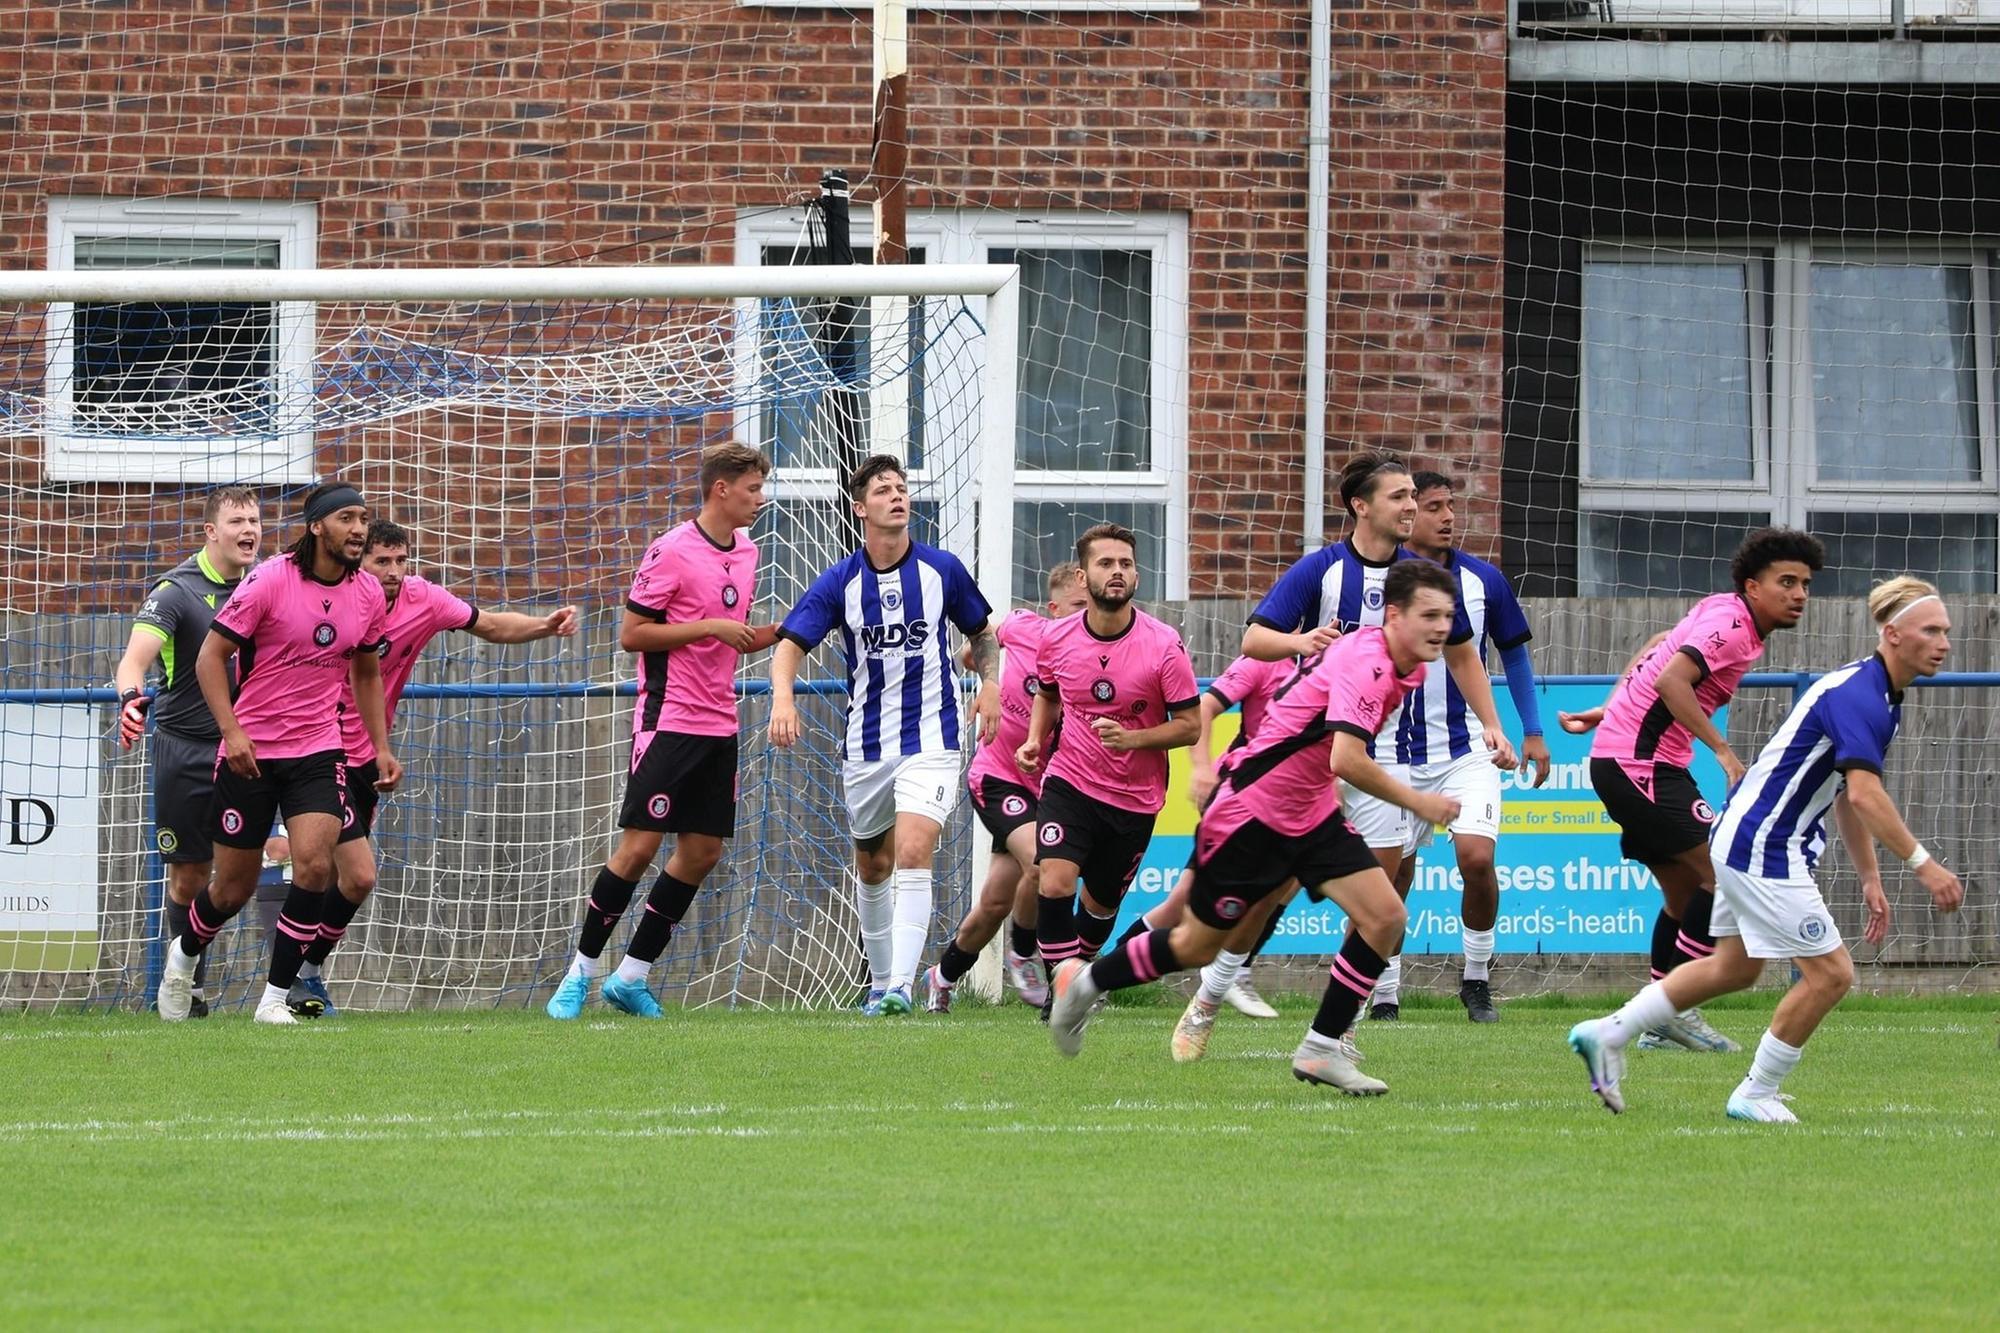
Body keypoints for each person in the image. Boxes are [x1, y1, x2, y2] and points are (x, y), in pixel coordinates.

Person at [1047, 560, 1464, 1097]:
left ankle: (1322, 1049)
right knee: (1196, 945)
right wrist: (1418, 802)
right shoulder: (1371, 664)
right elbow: (1346, 758)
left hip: (1310, 814)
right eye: (1429, 615)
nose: (1440, 627)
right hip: (1252, 815)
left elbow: (1321, 747)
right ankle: (1085, 982)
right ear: (1396, 614)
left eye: (1448, 617)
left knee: (1385, 918)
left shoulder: (1408, 665)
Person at [1568, 577, 1963, 1121]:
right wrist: (1924, 865)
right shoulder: (1860, 696)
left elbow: (1848, 792)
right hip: (1765, 846)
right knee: (1832, 975)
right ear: (1893, 634)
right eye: (1931, 630)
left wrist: (1871, 877)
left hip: (1746, 838)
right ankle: (1755, 1093)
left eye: (1946, 631)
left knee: (1734, 968)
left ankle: (1607, 1033)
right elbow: (1867, 794)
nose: (1943, 641)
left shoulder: (1879, 694)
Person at [1240, 454, 1516, 1023]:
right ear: (1360, 506)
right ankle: (1225, 976)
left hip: (1441, 749)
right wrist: (1303, 643)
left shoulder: (1422, 580)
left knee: (1436, 872)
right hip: (1355, 752)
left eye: (1415, 495)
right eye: (1400, 496)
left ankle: (1438, 989)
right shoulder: (1323, 571)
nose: (1412, 505)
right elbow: (1254, 640)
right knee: (1345, 881)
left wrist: (1493, 722)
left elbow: (1466, 653)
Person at [293, 518, 579, 1014]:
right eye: (382, 561)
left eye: (401, 561)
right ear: (356, 562)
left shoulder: (422, 599)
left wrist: (543, 626)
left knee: (347, 878)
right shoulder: (330, 601)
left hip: (365, 756)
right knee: (343, 872)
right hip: (312, 748)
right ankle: (289, 978)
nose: (394, 571)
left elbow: (488, 624)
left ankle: (301, 974)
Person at [1559, 527, 1823, 1053]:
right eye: (1786, 582)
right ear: (1753, 586)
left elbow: (1658, 647)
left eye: (1805, 584)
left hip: (1636, 761)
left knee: (1683, 895)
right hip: (1641, 767)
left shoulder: (1722, 608)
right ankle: (1672, 1011)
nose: (1798, 594)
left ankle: (1661, 1021)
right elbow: (1670, 681)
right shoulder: (1732, 625)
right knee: (1723, 873)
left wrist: (1609, 708)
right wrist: (1723, 751)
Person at [154, 481, 396, 1025]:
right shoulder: (268, 580)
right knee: (233, 887)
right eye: (347, 519)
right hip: (251, 753)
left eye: (364, 519)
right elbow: (209, 660)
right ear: (317, 526)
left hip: (318, 749)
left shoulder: (367, 594)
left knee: (313, 866)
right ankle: (183, 956)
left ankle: (273, 999)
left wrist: (380, 746)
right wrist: (233, 733)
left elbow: (364, 669)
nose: (359, 529)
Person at [547, 444, 774, 1019]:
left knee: (702, 851)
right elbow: (632, 635)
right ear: (721, 489)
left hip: (720, 723)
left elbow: (733, 636)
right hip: (668, 720)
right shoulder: (670, 550)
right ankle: (580, 974)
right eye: (752, 489)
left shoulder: (746, 552)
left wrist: (789, 629)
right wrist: (711, 627)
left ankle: (632, 976)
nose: (760, 499)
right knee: (640, 846)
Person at [769, 454, 1000, 1016]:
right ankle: (878, 983)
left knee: (916, 849)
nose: (897, 496)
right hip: (866, 746)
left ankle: (900, 986)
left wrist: (991, 682)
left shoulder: (942, 569)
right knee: (874, 865)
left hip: (933, 737)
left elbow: (983, 634)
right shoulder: (839, 581)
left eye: (902, 488)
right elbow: (788, 646)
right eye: (883, 490)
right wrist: (782, 697)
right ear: (860, 507)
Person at [1016, 523, 1199, 1010]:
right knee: (1052, 879)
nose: (1117, 572)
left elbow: (1189, 727)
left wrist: (1133, 738)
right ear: (1084, 576)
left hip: (1135, 799)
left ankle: (1078, 979)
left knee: (1098, 912)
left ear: (1136, 575)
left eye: (1125, 564)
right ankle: (1062, 993)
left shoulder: (1164, 646)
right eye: (1105, 563)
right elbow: (1050, 694)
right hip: (1070, 780)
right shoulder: (1056, 639)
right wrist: (1036, 740)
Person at [1396, 470, 1548, 1022]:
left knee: (1478, 859)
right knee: (1395, 871)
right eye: (1434, 506)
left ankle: (1477, 979)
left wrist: (1530, 730)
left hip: (1466, 750)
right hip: (1394, 752)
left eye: (1450, 506)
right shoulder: (1379, 581)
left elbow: (1514, 654)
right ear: (1407, 516)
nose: (1447, 516)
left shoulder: (1484, 581)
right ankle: (1384, 992)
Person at [113, 486, 263, 1018]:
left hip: (256, 750)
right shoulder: (176, 591)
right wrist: (132, 700)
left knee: (286, 861)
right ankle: (189, 988)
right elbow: (133, 662)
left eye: (255, 520)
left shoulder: (270, 583)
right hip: (188, 750)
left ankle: (295, 987)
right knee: (189, 877)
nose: (249, 530)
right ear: (211, 532)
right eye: (237, 521)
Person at [922, 562, 1090, 1014]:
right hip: (999, 775)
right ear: (1053, 609)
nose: (1084, 614)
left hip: (1052, 785)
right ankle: (1024, 952)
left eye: (1089, 606)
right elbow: (978, 644)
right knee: (1042, 864)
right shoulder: (1023, 628)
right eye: (1076, 606)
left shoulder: (1093, 659)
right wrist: (985, 680)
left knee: (996, 900)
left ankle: (942, 975)